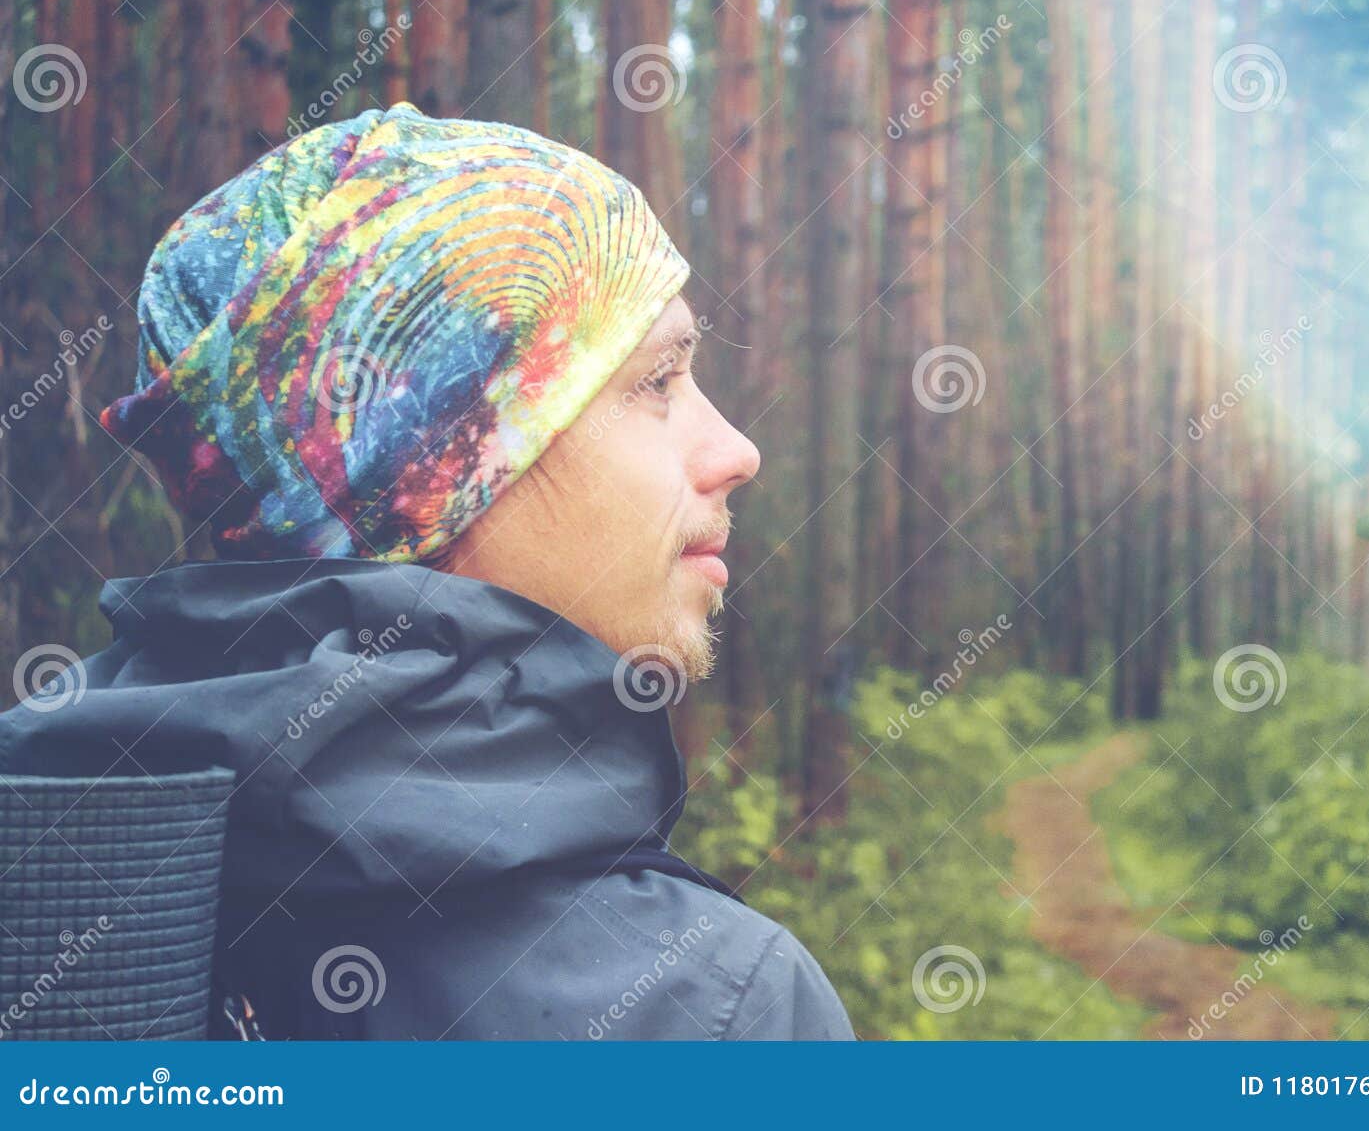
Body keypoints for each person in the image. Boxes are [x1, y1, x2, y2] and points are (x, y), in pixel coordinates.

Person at [0, 102, 853, 1041]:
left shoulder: (50, 857)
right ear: (437, 471)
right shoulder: (714, 1011)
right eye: (657, 382)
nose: (737, 449)